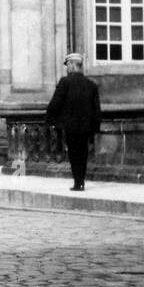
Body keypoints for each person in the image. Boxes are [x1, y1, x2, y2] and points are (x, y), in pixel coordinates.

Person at [45, 52, 101, 191]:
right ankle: (81, 181)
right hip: (86, 128)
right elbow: (97, 110)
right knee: (83, 154)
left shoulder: (65, 82)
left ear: (72, 65)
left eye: (68, 65)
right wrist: (95, 128)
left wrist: (49, 119)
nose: (67, 68)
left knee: (73, 154)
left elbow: (55, 103)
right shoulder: (91, 85)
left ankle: (77, 182)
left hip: (70, 127)